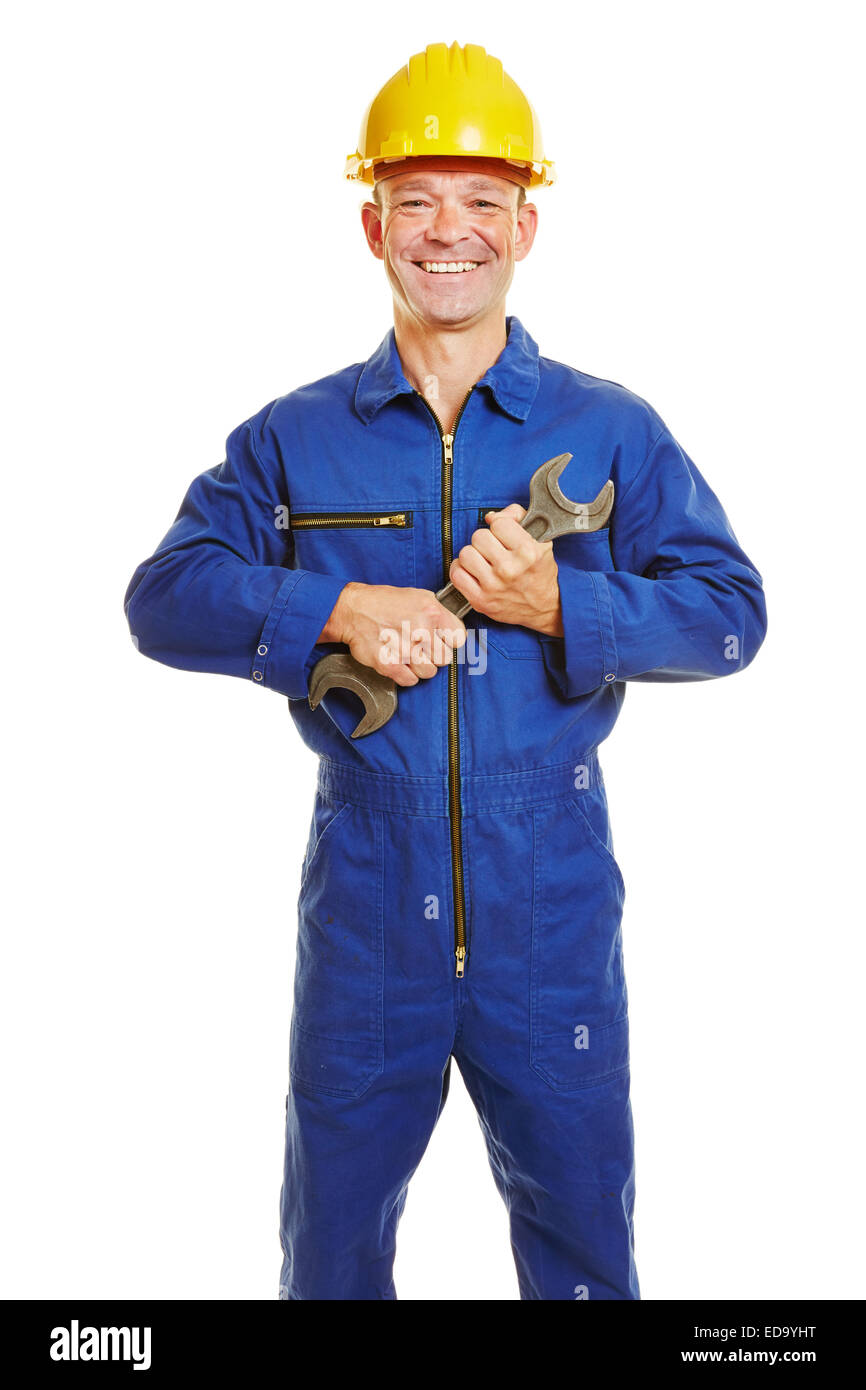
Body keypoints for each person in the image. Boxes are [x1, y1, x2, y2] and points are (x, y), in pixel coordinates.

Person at [124, 41, 767, 1300]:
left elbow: (730, 612)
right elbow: (161, 600)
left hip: (551, 902)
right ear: (372, 224)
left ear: (527, 220)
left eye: (480, 202)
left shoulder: (608, 430)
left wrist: (563, 604)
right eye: (416, 200)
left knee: (584, 1247)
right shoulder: (294, 437)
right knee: (331, 1258)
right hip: (368, 898)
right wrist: (333, 607)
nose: (449, 232)